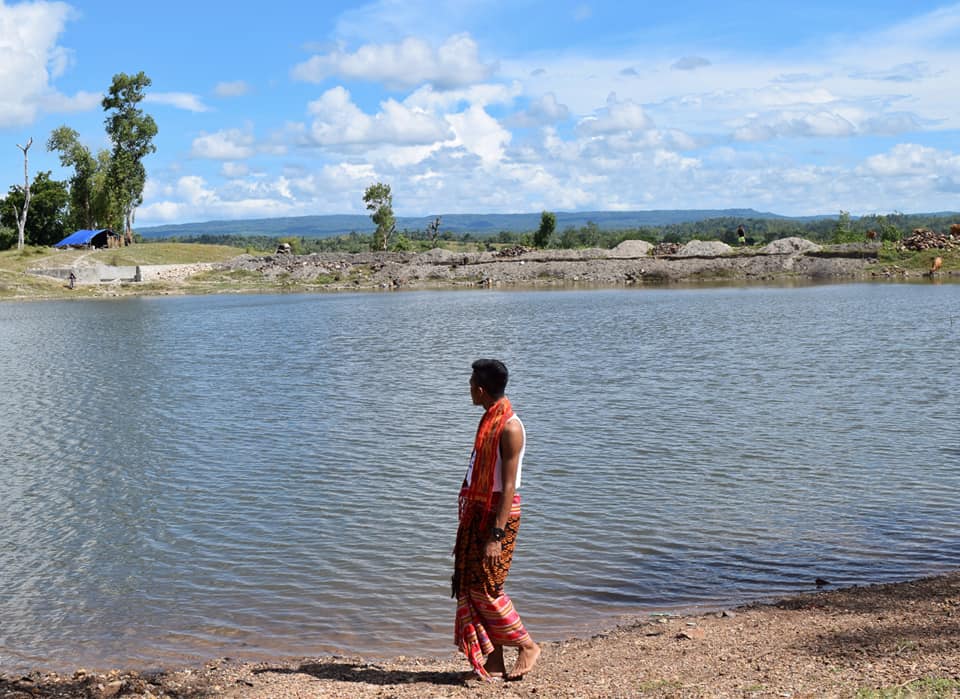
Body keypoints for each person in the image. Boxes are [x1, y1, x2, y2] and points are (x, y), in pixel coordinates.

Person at [452, 359, 540, 681]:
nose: (468, 389)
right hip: (479, 512)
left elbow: (509, 487)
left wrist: (496, 536)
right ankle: (494, 661)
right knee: (469, 585)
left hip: (498, 517)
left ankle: (527, 645)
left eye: (470, 384)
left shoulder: (509, 427)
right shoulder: (489, 419)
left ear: (480, 389)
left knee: (488, 588)